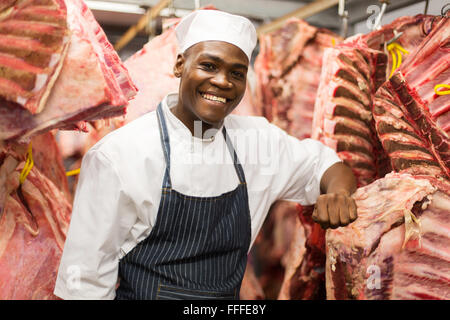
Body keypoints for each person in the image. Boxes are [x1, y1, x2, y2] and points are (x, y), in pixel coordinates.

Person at [54, 9, 357, 300]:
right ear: (179, 66)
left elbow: (327, 165)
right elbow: (84, 284)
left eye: (236, 73)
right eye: (209, 66)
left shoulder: (259, 141)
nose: (223, 81)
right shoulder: (118, 155)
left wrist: (340, 193)